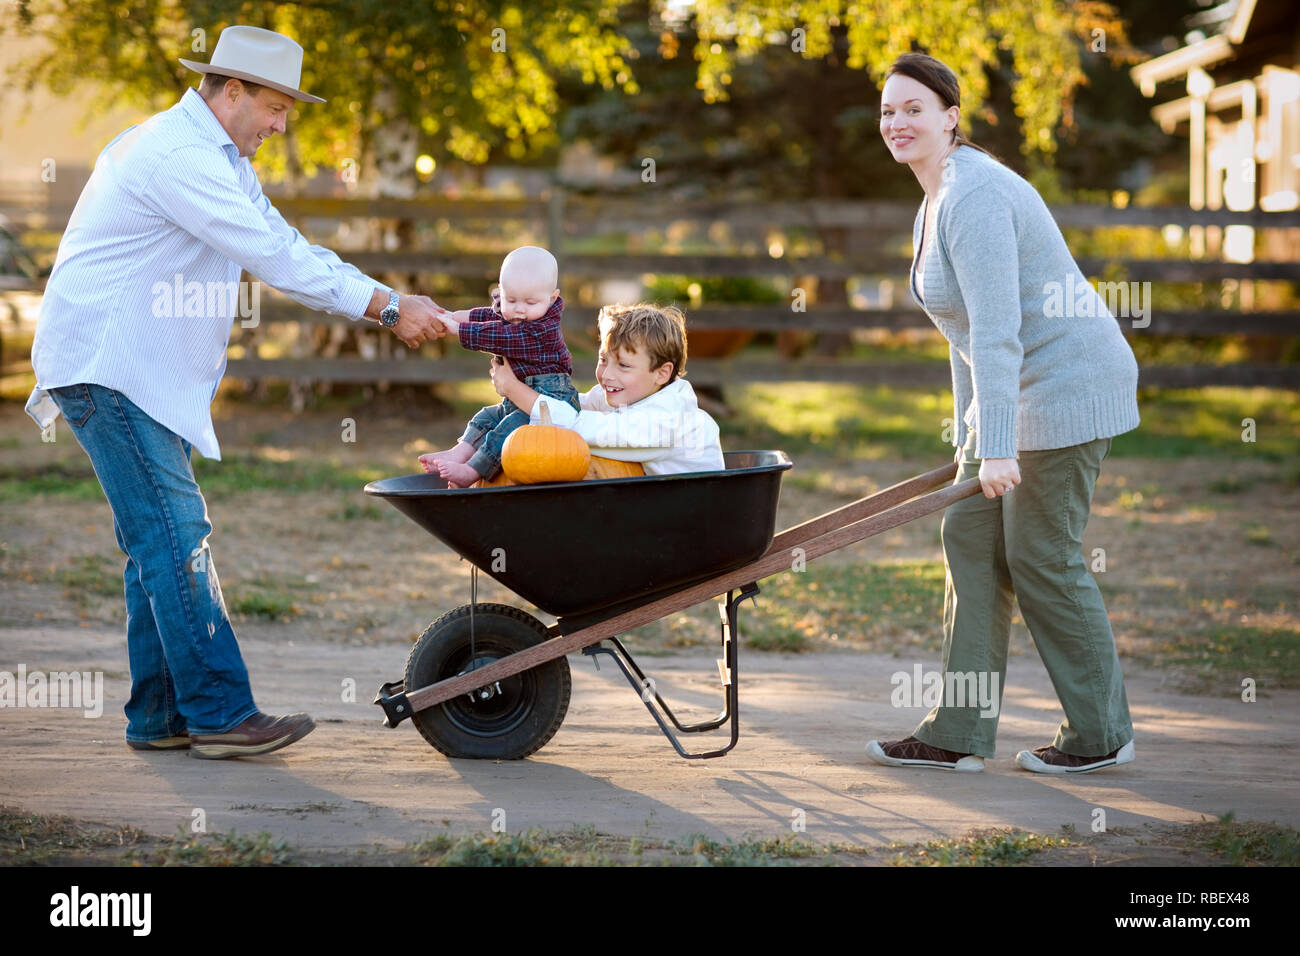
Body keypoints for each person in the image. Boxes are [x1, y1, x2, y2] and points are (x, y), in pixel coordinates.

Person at [24, 26, 449, 759]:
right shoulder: (176, 156)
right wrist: (382, 305)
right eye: (276, 107)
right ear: (230, 92)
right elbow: (273, 256)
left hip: (134, 373)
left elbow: (283, 237)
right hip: (109, 367)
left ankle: (161, 718)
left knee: (155, 543)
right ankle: (220, 713)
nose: (282, 125)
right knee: (177, 535)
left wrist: (383, 296)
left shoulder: (215, 156)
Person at [865, 53, 1141, 774]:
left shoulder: (974, 195)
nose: (897, 122)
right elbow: (963, 338)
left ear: (951, 115)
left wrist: (1000, 446)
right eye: (889, 110)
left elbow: (996, 330)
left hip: (1067, 387)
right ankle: (958, 730)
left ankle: (1101, 733)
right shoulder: (934, 200)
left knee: (1039, 555)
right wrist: (974, 437)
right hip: (1016, 396)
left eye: (914, 109)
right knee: (973, 541)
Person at [489, 302, 725, 474]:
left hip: (691, 522)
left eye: (623, 365)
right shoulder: (631, 394)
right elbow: (571, 404)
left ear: (661, 373)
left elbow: (573, 425)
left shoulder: (667, 422)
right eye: (603, 360)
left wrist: (513, 389)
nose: (607, 375)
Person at [418, 246, 580, 487]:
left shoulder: (542, 329)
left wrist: (461, 331)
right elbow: (486, 316)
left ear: (552, 298)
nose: (519, 309)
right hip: (515, 401)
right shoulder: (515, 311)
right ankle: (459, 452)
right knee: (485, 417)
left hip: (549, 400)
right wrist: (454, 316)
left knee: (509, 429)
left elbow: (502, 336)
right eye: (511, 300)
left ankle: (473, 470)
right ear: (501, 292)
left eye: (530, 302)